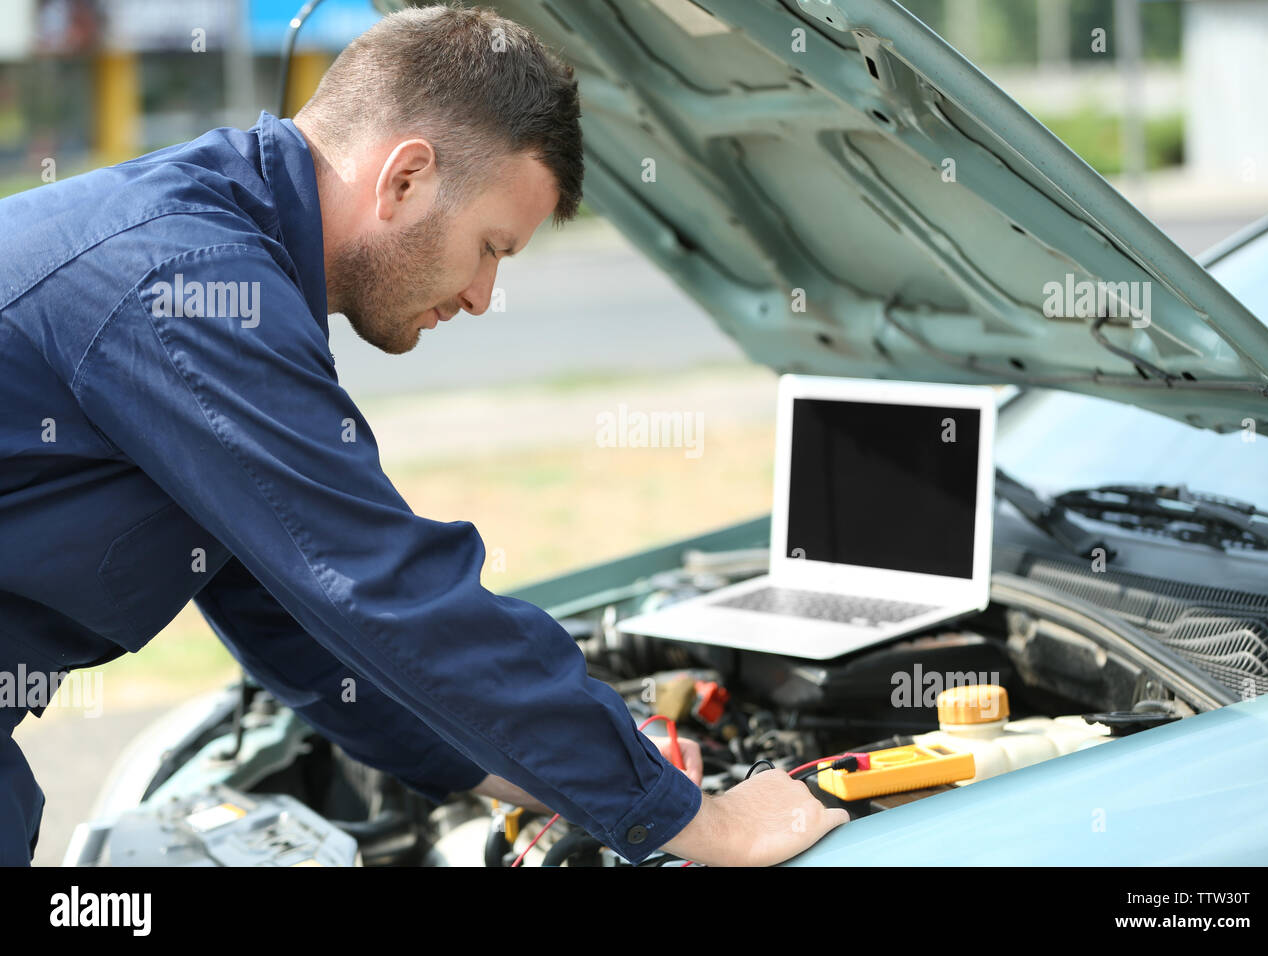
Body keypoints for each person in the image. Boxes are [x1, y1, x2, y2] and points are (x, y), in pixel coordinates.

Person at [0, 5, 847, 867]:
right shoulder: (188, 283)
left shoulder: (216, 250)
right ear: (404, 178)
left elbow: (291, 618)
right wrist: (704, 825)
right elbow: (379, 580)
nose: (482, 296)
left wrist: (555, 773)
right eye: (489, 247)